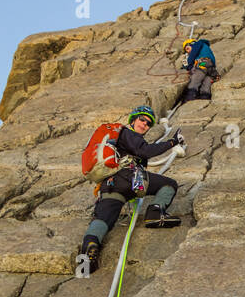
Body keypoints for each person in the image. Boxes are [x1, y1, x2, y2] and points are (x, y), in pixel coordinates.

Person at [78, 105, 184, 273]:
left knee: (103, 219)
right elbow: (146, 151)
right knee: (169, 184)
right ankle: (155, 213)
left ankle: (87, 254)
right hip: (129, 179)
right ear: (133, 120)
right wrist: (173, 141)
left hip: (110, 185)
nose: (144, 124)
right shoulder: (129, 134)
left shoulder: (118, 140)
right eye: (142, 120)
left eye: (148, 123)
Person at [180, 37, 218, 101]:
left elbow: (192, 56)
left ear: (191, 44)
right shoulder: (201, 51)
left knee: (196, 76)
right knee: (206, 81)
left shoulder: (197, 44)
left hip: (204, 63)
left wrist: (187, 65)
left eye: (187, 48)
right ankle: (205, 96)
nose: (188, 51)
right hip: (211, 68)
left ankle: (190, 95)